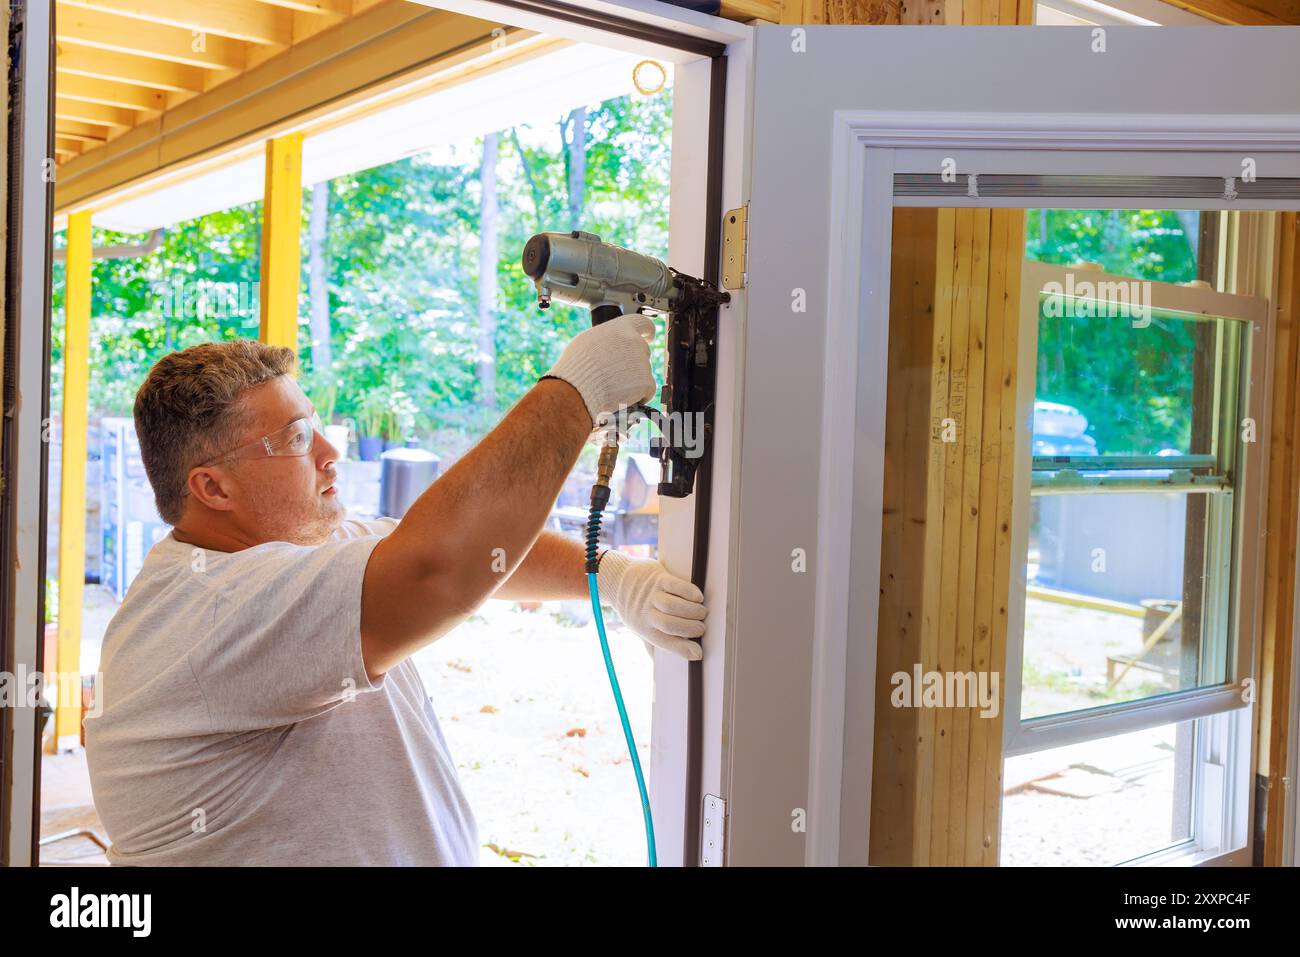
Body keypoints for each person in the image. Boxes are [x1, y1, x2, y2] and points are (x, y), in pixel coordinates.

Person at [84, 316, 706, 865]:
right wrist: (579, 386)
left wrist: (616, 580)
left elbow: (463, 547)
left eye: (317, 427)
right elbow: (437, 568)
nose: (330, 453)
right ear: (212, 489)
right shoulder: (212, 608)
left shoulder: (298, 549)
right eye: (297, 440)